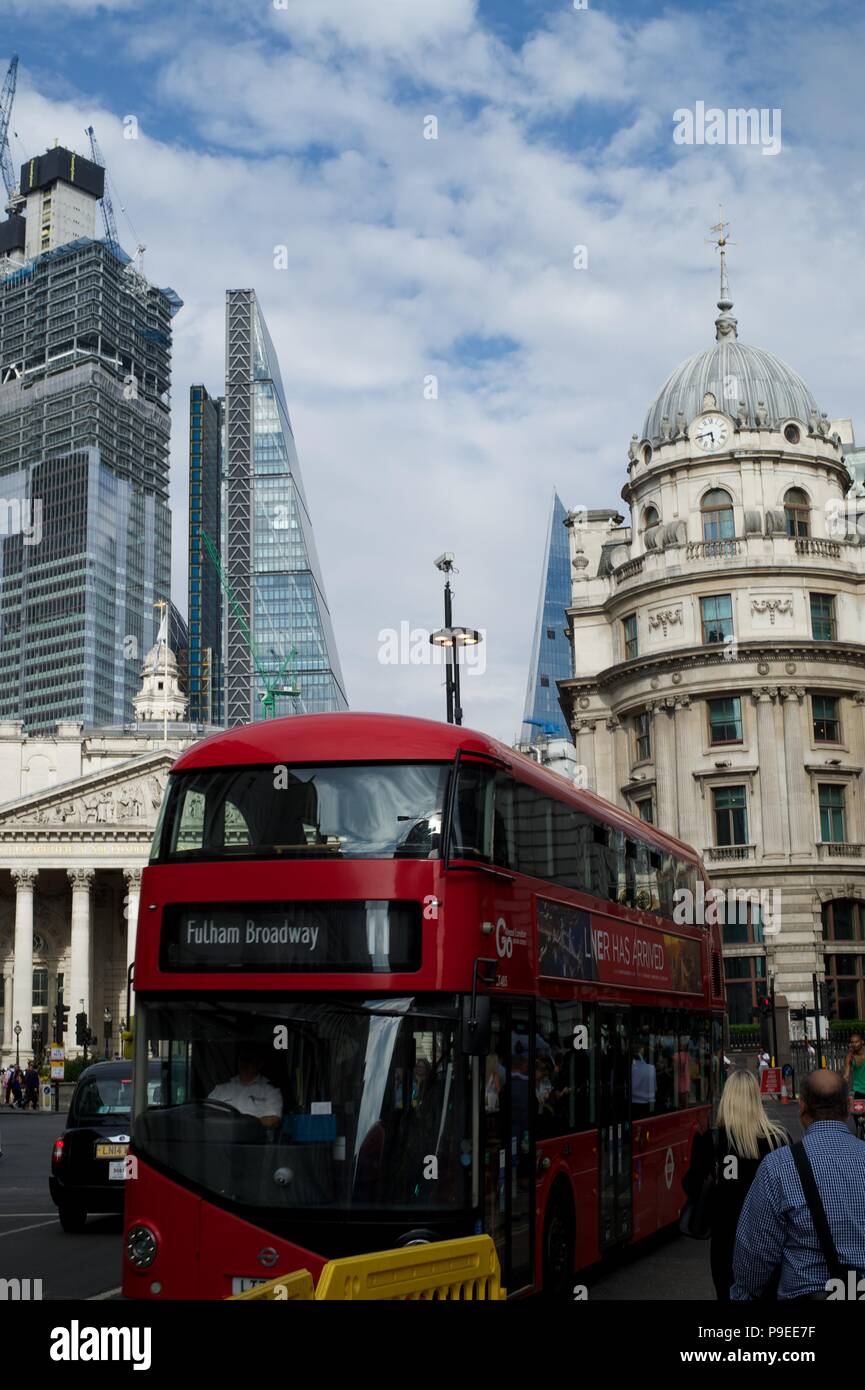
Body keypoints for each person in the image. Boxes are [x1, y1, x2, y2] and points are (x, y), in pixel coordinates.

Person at [731, 1070, 865, 1300]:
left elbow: (754, 1255)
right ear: (849, 1105)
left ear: (801, 1106)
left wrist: (743, 1293)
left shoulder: (778, 1166)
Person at [682, 1069, 789, 1301]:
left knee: (727, 1293)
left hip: (725, 1239)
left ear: (727, 1099)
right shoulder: (777, 1139)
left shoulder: (711, 1141)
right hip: (770, 1239)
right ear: (755, 1099)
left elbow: (691, 1185)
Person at [207, 1047, 283, 1128]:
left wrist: (242, 1124)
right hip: (220, 1136)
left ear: (259, 1064)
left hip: (253, 1138)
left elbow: (273, 1120)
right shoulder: (221, 1089)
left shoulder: (270, 1092)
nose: (245, 1064)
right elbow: (205, 1114)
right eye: (242, 1059)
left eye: (249, 1060)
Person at [631, 1044, 657, 1120]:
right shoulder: (652, 1068)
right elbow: (655, 1088)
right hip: (649, 1104)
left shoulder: (632, 1068)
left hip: (635, 1103)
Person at [843, 1030, 865, 1099]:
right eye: (852, 1042)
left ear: (862, 1042)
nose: (854, 1044)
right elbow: (846, 1076)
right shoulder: (850, 1056)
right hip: (858, 1091)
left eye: (856, 1042)